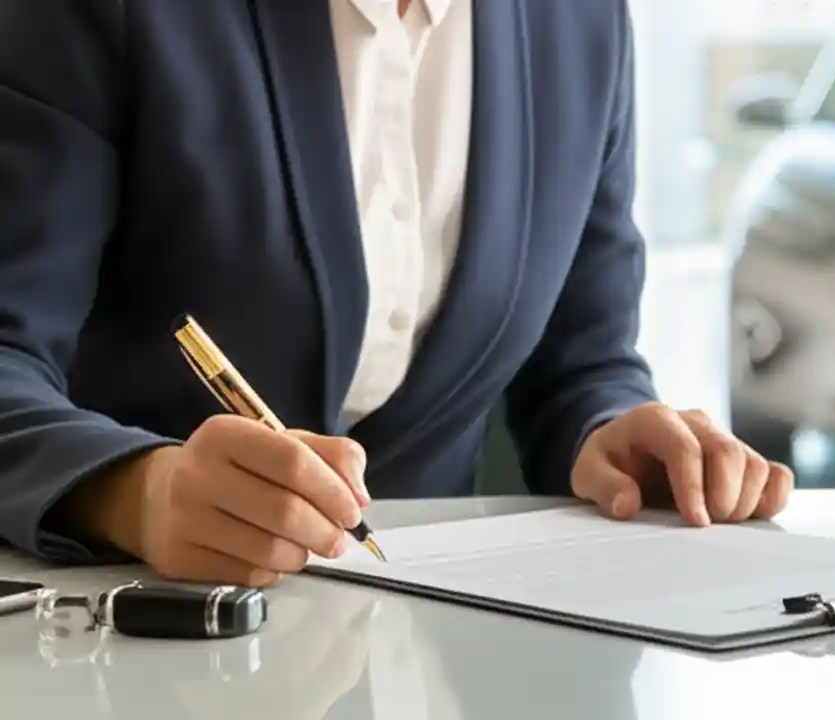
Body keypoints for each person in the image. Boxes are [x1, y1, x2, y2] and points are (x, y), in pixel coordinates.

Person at [0, 0, 794, 587]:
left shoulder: (578, 21)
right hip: (131, 630)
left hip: (431, 640)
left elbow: (581, 358)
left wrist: (609, 430)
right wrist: (135, 492)